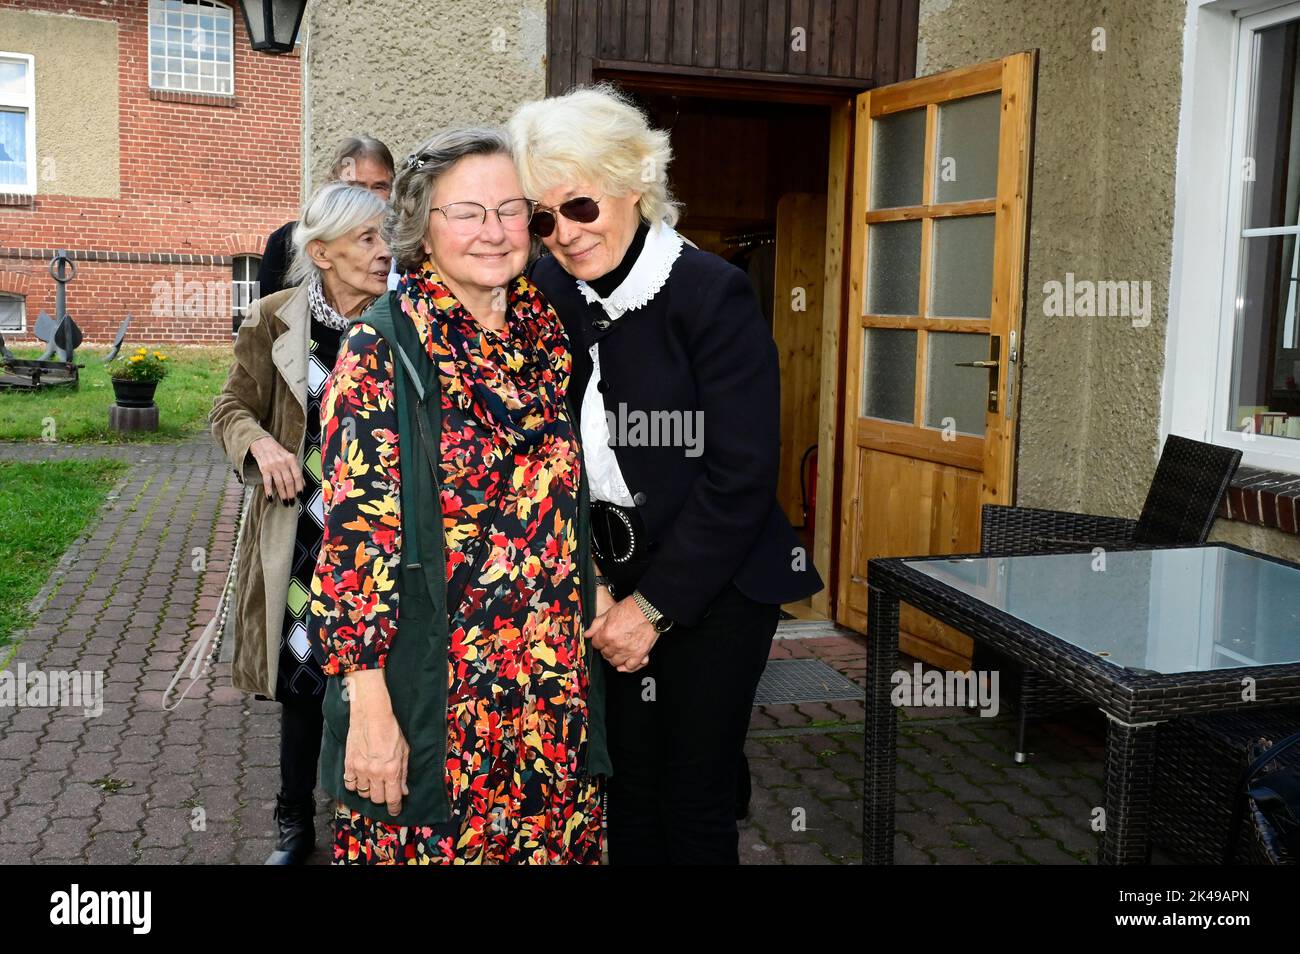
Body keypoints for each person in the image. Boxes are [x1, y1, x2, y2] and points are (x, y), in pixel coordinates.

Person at [509, 84, 823, 865]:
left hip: (711, 589)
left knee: (695, 795)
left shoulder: (709, 293)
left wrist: (648, 611)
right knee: (622, 787)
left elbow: (741, 477)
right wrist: (594, 586)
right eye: (542, 219)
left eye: (579, 207)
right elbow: (537, 453)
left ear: (636, 181)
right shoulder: (546, 292)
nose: (564, 235)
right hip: (603, 583)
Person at [310, 127, 610, 864]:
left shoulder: (547, 334)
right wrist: (368, 708)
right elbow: (356, 546)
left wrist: (593, 583)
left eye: (511, 210)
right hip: (437, 703)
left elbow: (553, 500)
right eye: (468, 212)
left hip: (549, 699)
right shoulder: (382, 350)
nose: (495, 231)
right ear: (421, 229)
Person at [211, 183, 392, 864]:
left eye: (386, 237)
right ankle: (295, 821)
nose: (385, 252)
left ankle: (366, 814)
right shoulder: (270, 319)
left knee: (370, 676)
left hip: (375, 540)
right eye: (368, 239)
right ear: (322, 252)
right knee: (304, 679)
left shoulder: (402, 323)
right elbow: (230, 410)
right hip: (300, 535)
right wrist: (259, 444)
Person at [254, 136, 396, 302]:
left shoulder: (406, 246)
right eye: (357, 187)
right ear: (333, 185)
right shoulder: (288, 241)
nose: (368, 196)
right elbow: (259, 316)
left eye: (379, 187)